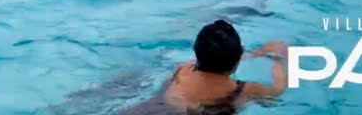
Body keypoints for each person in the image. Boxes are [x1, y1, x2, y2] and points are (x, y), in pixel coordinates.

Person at [118, 21, 287, 114]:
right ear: (237, 57)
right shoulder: (244, 90)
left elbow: (214, 59)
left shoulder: (182, 69)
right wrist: (279, 58)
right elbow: (278, 89)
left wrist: (255, 54)